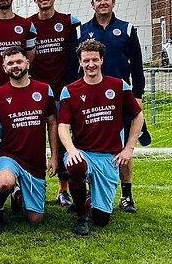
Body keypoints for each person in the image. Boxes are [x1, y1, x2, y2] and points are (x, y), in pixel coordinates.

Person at [73, 0, 150, 214]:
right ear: (92, 4)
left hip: (120, 99)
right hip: (89, 101)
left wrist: (138, 95)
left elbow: (137, 65)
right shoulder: (81, 31)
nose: (103, 2)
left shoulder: (126, 29)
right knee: (87, 145)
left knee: (124, 146)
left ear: (113, 2)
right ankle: (87, 193)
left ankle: (126, 196)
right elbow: (73, 68)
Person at [58, 40, 143, 235]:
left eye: (95, 59)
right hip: (84, 153)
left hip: (109, 158)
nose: (91, 64)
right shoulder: (69, 91)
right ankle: (81, 216)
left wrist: (129, 148)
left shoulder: (118, 86)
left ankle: (89, 202)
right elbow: (62, 126)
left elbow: (138, 115)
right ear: (80, 62)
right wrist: (71, 150)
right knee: (76, 166)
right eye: (86, 60)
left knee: (102, 220)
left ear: (102, 60)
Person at [0, 46, 58, 224]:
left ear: (27, 63)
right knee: (4, 182)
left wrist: (54, 155)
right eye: (10, 63)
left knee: (35, 219)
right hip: (10, 154)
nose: (15, 66)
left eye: (19, 62)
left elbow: (52, 123)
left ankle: (18, 194)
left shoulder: (45, 90)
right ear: (4, 68)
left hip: (35, 160)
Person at [26, 0, 81, 208]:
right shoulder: (27, 25)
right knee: (32, 141)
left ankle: (64, 190)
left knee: (65, 140)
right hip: (36, 95)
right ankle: (29, 187)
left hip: (63, 93)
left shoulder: (70, 22)